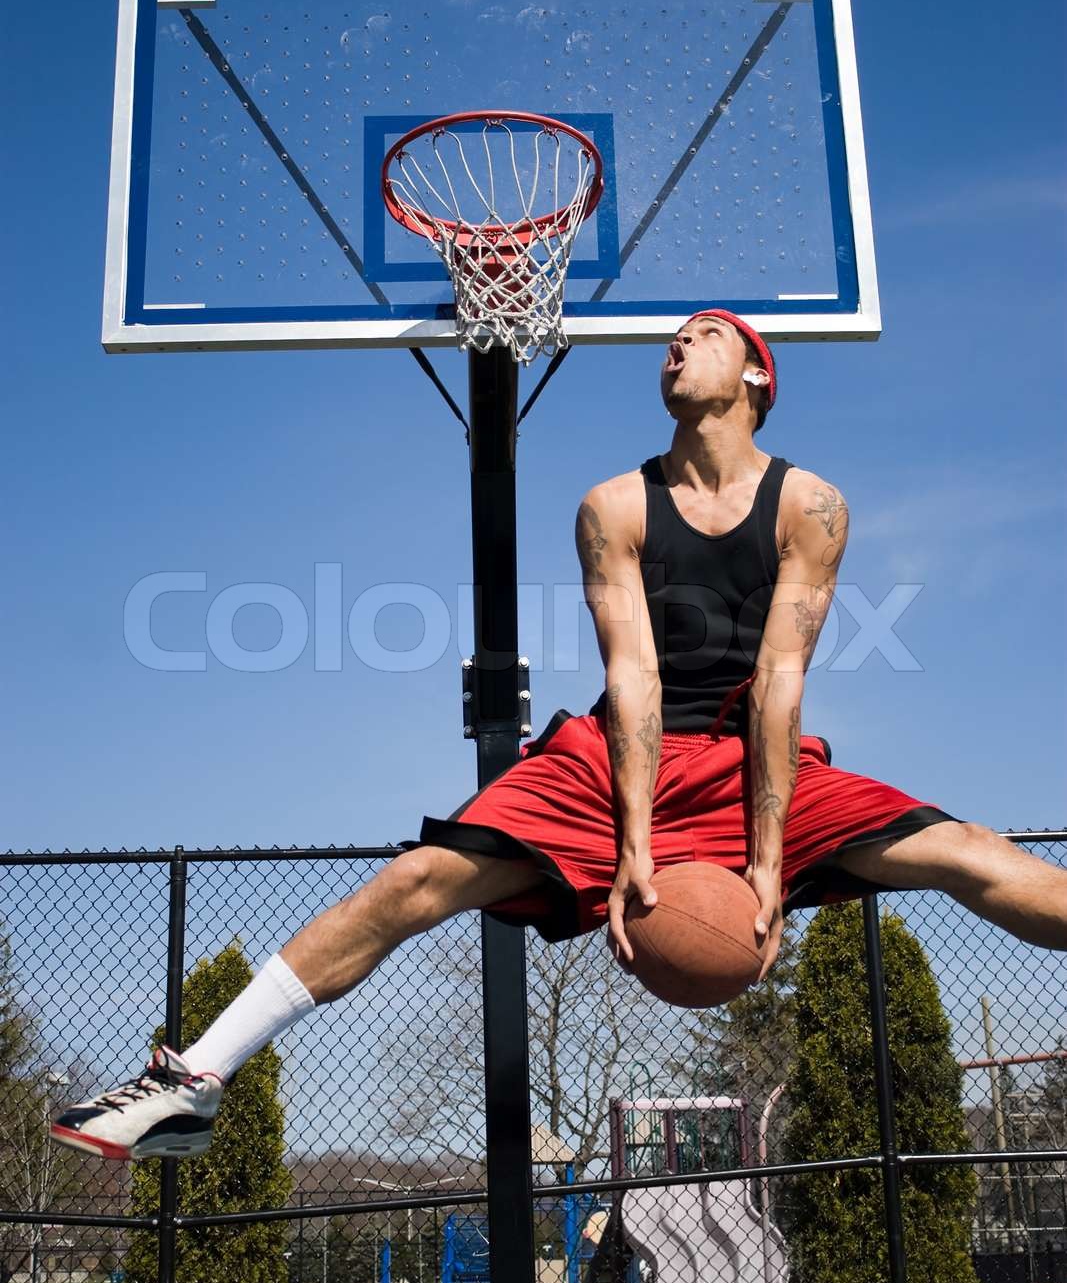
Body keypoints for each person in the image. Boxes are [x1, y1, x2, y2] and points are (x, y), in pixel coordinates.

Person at [52, 309, 1067, 1162]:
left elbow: (778, 680)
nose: (674, 347)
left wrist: (765, 866)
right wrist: (631, 849)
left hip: (750, 758)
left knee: (964, 852)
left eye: (701, 335)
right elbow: (632, 675)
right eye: (668, 339)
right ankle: (191, 1079)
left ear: (756, 374)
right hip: (620, 756)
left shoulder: (811, 504)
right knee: (412, 883)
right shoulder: (613, 505)